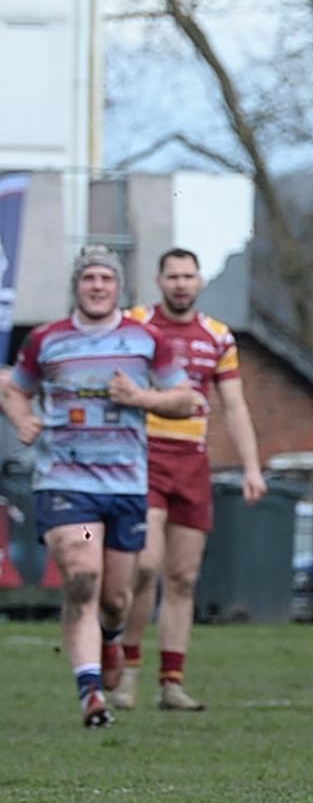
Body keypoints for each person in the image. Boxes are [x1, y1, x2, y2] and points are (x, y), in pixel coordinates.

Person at [0, 247, 197, 726]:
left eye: (105, 278)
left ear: (119, 287)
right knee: (82, 573)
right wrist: (22, 419)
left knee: (115, 598)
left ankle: (111, 639)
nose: (96, 286)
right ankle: (91, 693)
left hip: (124, 488)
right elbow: (13, 387)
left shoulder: (146, 340)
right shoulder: (46, 340)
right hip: (68, 487)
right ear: (77, 285)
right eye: (88, 277)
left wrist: (140, 397)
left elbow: (185, 401)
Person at [116, 249, 268, 711]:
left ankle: (172, 682)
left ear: (200, 281)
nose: (181, 283)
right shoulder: (134, 324)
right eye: (173, 276)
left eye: (188, 275)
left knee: (183, 577)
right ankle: (127, 671)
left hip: (192, 460)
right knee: (145, 567)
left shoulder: (218, 336)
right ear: (159, 281)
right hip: (142, 457)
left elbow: (234, 405)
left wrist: (252, 466)